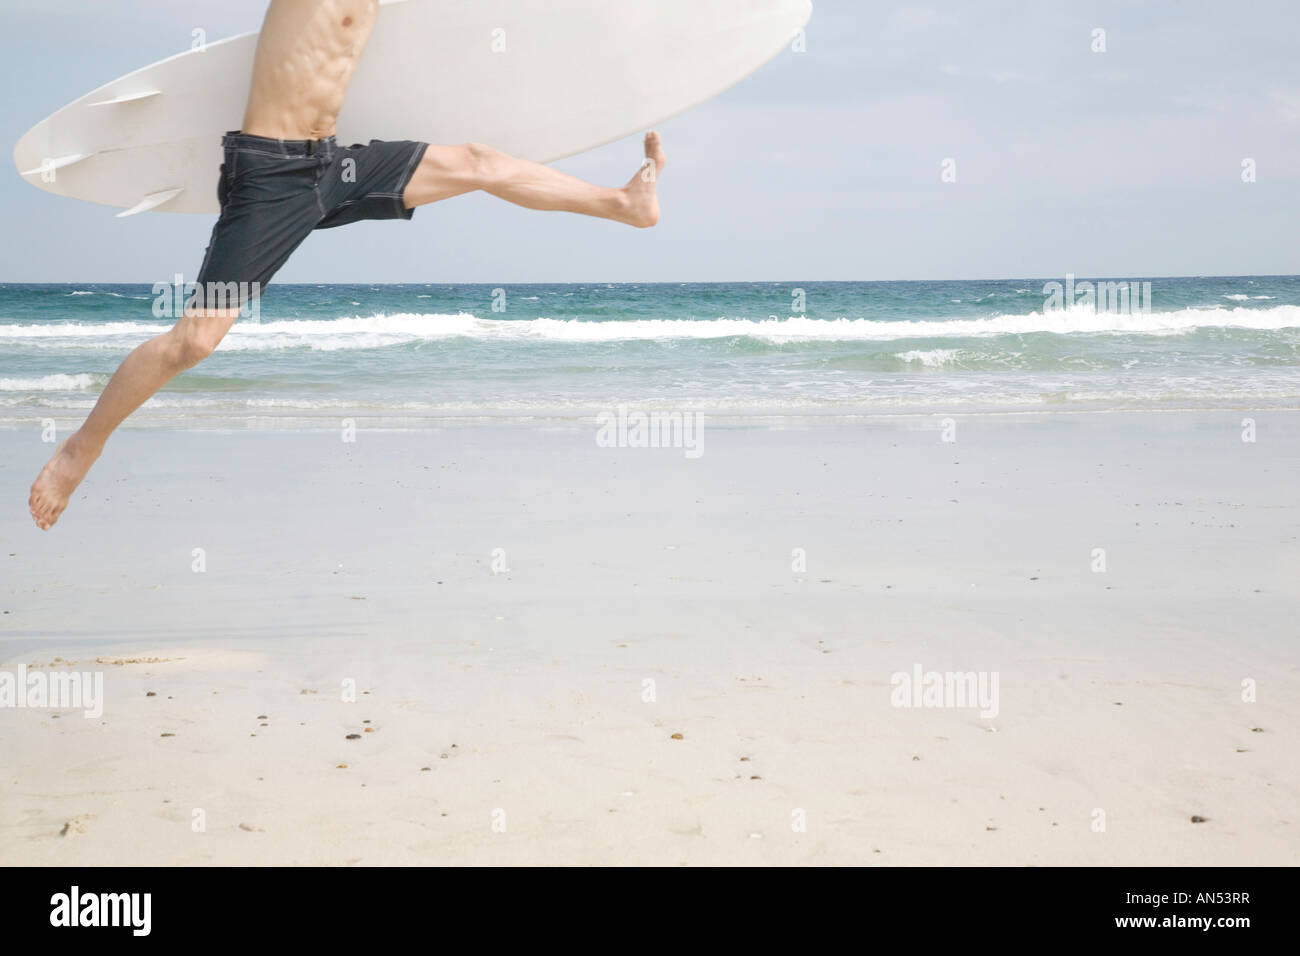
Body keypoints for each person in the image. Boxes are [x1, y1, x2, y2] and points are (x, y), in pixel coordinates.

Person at [29, 0, 666, 530]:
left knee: (479, 162)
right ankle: (83, 447)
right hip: (271, 174)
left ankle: (623, 204)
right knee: (193, 342)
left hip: (337, 167)